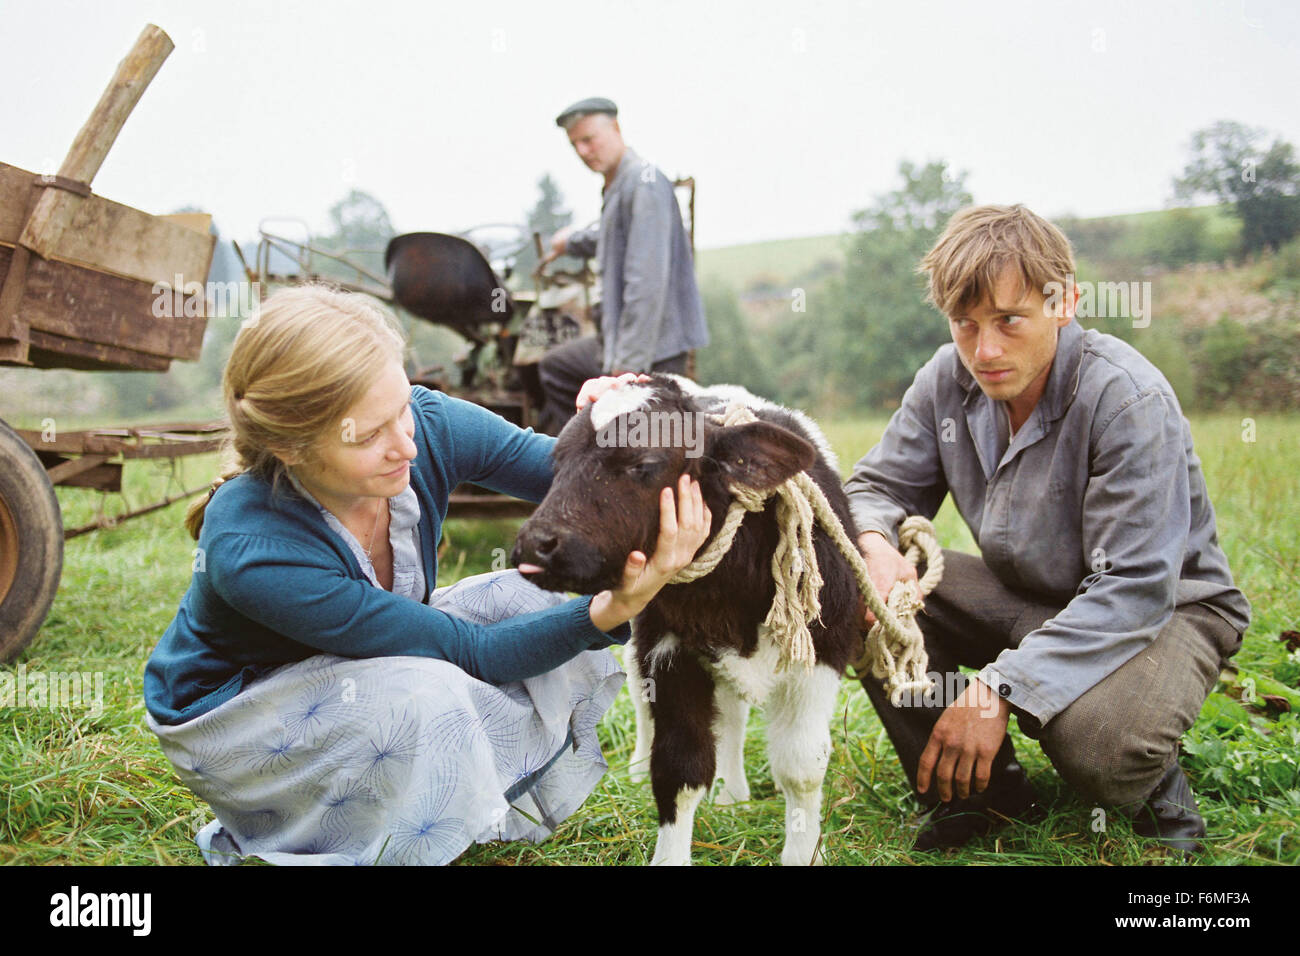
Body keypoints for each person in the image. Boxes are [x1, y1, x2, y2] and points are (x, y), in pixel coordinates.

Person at [142, 285, 710, 866]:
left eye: (401, 409)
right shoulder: (253, 550)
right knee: (428, 697)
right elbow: (473, 652)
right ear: (291, 446)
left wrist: (608, 428)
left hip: (356, 665)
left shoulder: (427, 423)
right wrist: (612, 610)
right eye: (368, 435)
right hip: (242, 717)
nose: (406, 445)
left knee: (530, 598)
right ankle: (319, 828)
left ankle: (442, 805)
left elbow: (572, 481)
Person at [845, 204, 1250, 853]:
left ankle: (1155, 785)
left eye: (1009, 320)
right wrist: (872, 547)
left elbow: (1136, 586)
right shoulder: (945, 380)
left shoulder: (1128, 399)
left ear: (1064, 303)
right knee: (862, 597)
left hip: (1168, 608)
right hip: (1030, 591)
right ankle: (981, 792)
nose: (985, 350)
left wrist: (1000, 687)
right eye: (965, 324)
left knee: (1094, 742)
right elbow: (876, 487)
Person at [535, 96, 709, 435]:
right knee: (556, 367)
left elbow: (645, 283)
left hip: (655, 345)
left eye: (589, 139)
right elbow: (611, 237)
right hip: (618, 337)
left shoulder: (643, 182)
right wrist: (569, 242)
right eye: (575, 145)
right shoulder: (621, 185)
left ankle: (600, 465)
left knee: (657, 438)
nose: (583, 151)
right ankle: (582, 457)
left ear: (615, 128)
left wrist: (624, 368)